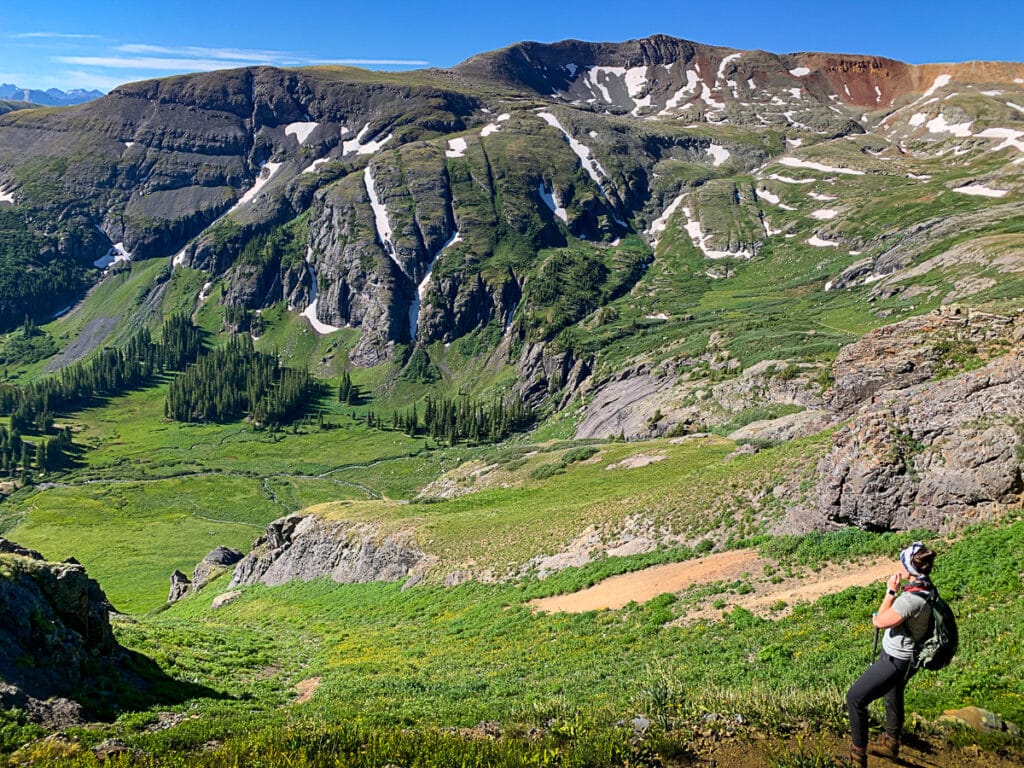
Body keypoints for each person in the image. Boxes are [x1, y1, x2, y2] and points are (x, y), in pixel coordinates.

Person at [843, 541, 936, 767]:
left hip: (897, 659)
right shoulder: (926, 587)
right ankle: (891, 743)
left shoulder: (910, 600)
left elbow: (880, 621)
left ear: (909, 569)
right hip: (907, 657)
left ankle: (858, 756)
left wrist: (891, 591)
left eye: (902, 562)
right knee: (893, 691)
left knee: (855, 698)